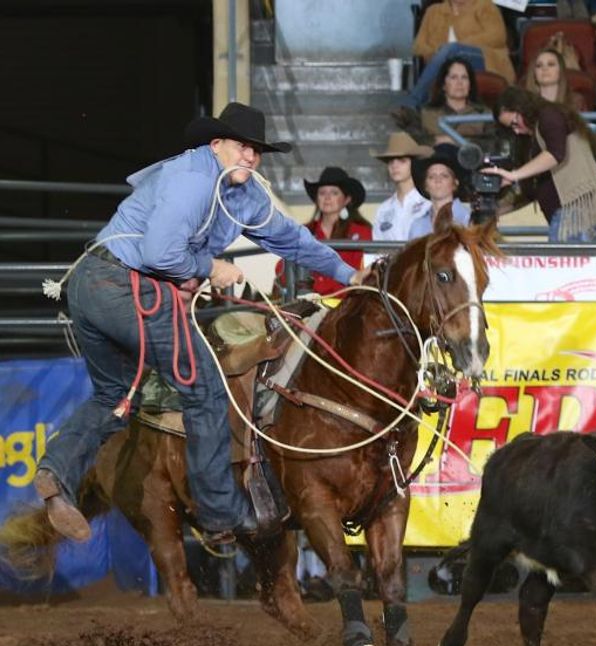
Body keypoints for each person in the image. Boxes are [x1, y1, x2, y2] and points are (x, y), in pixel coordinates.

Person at [33, 102, 364, 546]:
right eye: (242, 147)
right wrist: (212, 267)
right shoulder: (193, 180)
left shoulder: (243, 195)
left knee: (114, 395)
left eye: (257, 151)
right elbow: (159, 253)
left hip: (92, 285)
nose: (250, 157)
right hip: (124, 288)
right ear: (216, 145)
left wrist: (346, 274)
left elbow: (291, 239)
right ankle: (221, 510)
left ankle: (56, 473)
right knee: (205, 386)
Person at [487, 86, 596, 242]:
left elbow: (555, 154)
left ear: (522, 108)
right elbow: (530, 191)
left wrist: (514, 175)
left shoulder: (549, 115)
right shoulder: (534, 138)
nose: (516, 131)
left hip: (576, 213)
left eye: (515, 123)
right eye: (511, 128)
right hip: (569, 214)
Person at [406, 0, 515, 111]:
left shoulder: (484, 5)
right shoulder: (433, 12)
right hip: (445, 63)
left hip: (484, 60)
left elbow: (497, 36)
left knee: (453, 49)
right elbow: (418, 46)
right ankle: (419, 109)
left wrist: (457, 46)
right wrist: (438, 54)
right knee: (450, 51)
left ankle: (413, 104)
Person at [302, 166, 372, 295]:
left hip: (349, 301)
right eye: (322, 193)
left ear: (347, 199)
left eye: (334, 193)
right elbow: (283, 269)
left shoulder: (363, 233)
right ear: (317, 199)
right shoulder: (304, 231)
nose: (327, 197)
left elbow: (366, 274)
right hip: (311, 300)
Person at [372, 132, 433, 241]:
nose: (395, 165)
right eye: (390, 161)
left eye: (402, 160)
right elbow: (377, 244)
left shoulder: (428, 204)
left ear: (414, 164)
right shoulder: (383, 209)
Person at [408, 143, 472, 238]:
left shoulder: (469, 219)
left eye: (444, 176)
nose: (438, 180)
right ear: (425, 186)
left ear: (455, 183)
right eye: (431, 176)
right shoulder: (417, 225)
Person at [522, 47, 586, 112]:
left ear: (560, 71)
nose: (544, 68)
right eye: (539, 65)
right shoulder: (527, 104)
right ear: (534, 74)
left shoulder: (576, 101)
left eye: (551, 64)